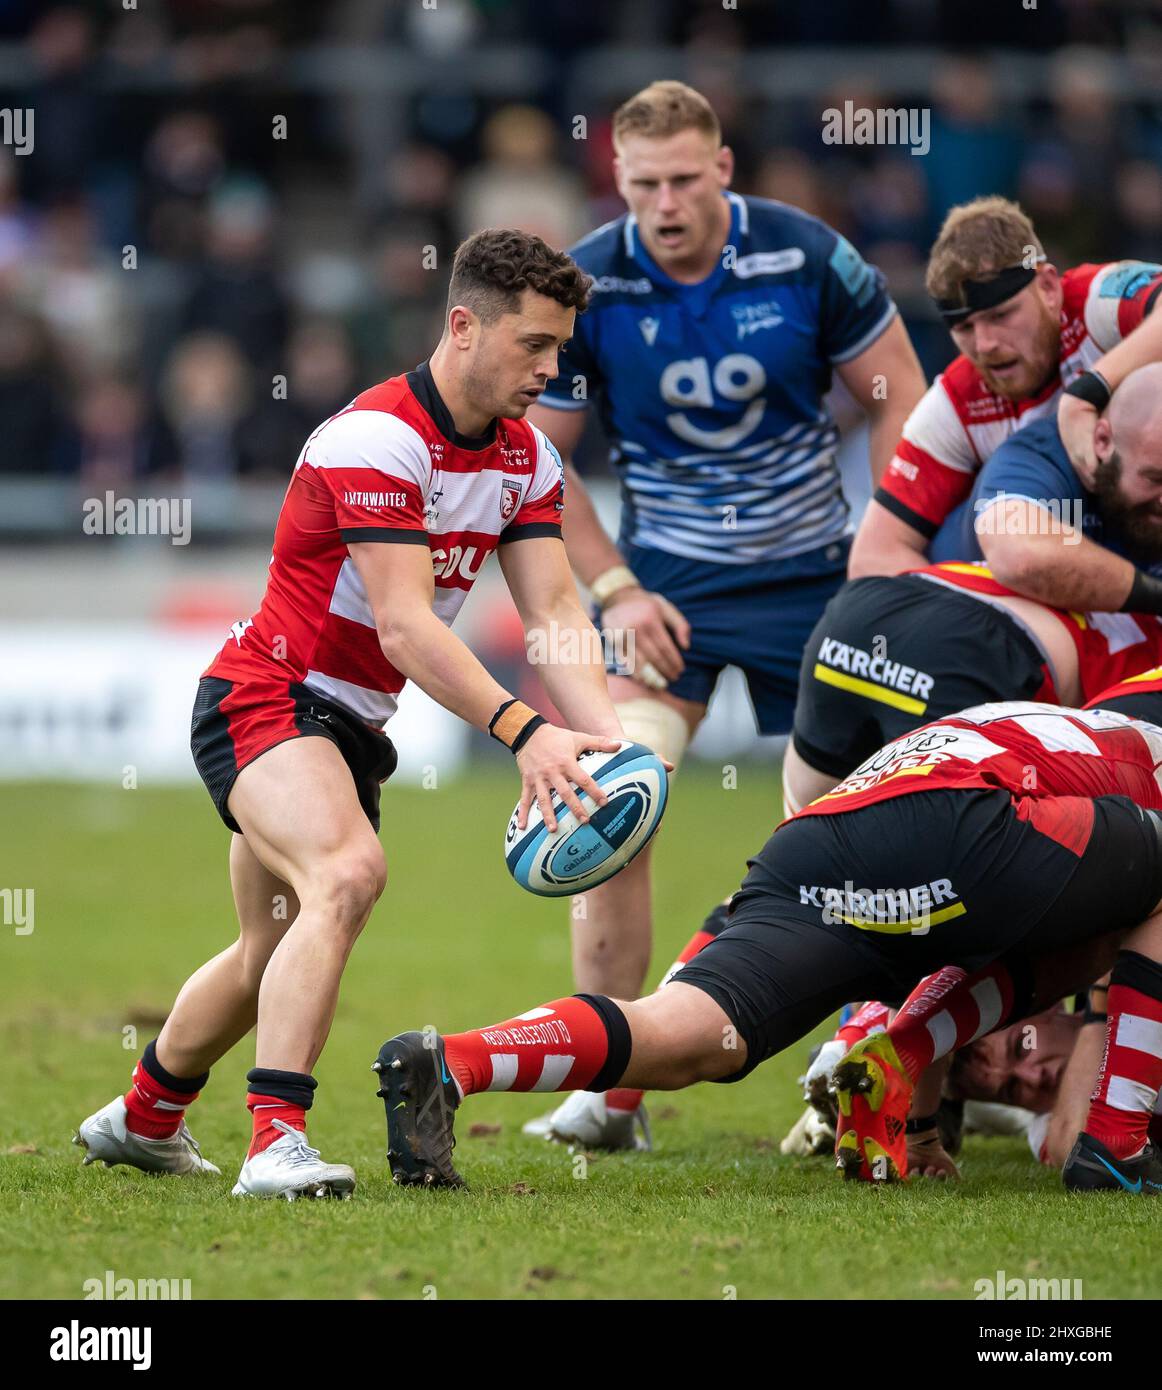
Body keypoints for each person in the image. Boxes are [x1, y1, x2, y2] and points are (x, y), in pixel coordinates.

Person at [73, 229, 631, 1200]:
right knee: (347, 873)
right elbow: (407, 628)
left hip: (349, 729)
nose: (552, 369)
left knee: (266, 952)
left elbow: (552, 612)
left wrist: (607, 747)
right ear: (464, 327)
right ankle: (275, 1142)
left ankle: (143, 1118)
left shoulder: (527, 458)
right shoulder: (376, 438)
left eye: (560, 348)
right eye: (534, 345)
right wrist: (526, 733)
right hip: (266, 695)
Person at [523, 79, 926, 1148]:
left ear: (723, 169)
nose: (664, 204)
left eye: (683, 181)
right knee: (612, 805)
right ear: (617, 178)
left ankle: (865, 1068)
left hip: (819, 587)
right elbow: (540, 465)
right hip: (671, 593)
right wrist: (617, 589)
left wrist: (883, 561)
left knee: (866, 827)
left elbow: (900, 398)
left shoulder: (805, 255)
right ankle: (609, 1089)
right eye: (643, 184)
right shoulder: (588, 283)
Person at [374, 697, 1162, 1195]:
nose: (1020, 1072)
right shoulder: (1137, 748)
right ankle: (1115, 1146)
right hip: (959, 821)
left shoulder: (1079, 726)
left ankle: (454, 1063)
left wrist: (922, 1126)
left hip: (819, 841)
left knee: (688, 1036)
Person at [849, 196, 1162, 578]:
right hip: (1045, 575)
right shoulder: (953, 406)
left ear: (1048, 287)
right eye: (964, 327)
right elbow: (873, 555)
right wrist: (967, 604)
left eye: (1000, 315)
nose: (984, 345)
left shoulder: (1093, 303)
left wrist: (1086, 392)